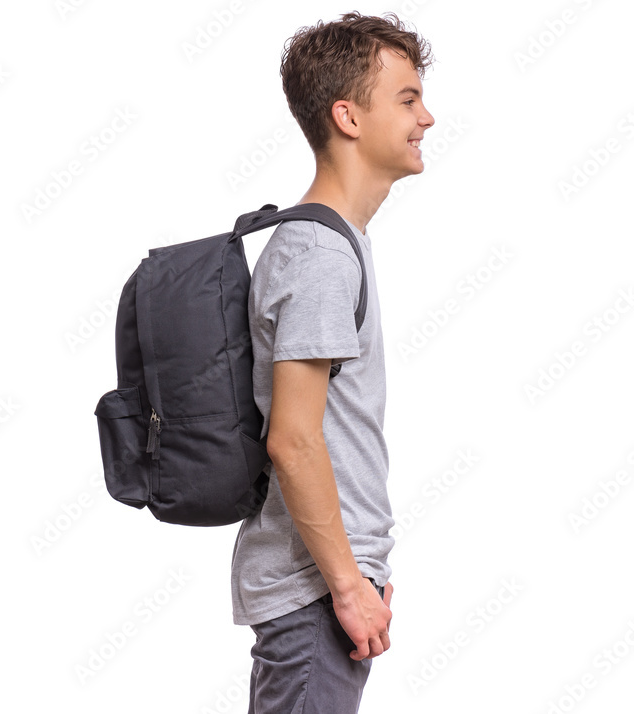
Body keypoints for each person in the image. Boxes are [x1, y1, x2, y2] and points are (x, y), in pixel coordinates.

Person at [229, 11, 436, 713]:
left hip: (326, 587)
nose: (427, 117)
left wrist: (363, 572)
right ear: (348, 115)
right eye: (407, 99)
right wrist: (348, 585)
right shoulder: (318, 256)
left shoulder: (333, 244)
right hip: (315, 593)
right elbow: (292, 436)